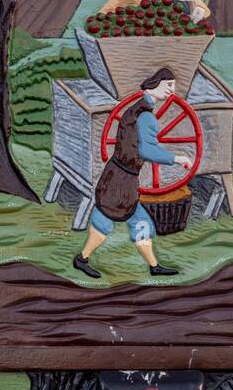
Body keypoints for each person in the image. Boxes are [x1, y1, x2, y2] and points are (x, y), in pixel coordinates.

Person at [73, 67, 192, 279]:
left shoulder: (136, 109)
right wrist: (177, 158)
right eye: (168, 86)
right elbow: (147, 149)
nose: (172, 91)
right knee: (105, 222)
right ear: (154, 85)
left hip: (120, 177)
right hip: (120, 181)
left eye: (173, 86)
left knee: (139, 222)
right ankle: (82, 258)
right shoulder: (146, 117)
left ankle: (154, 266)